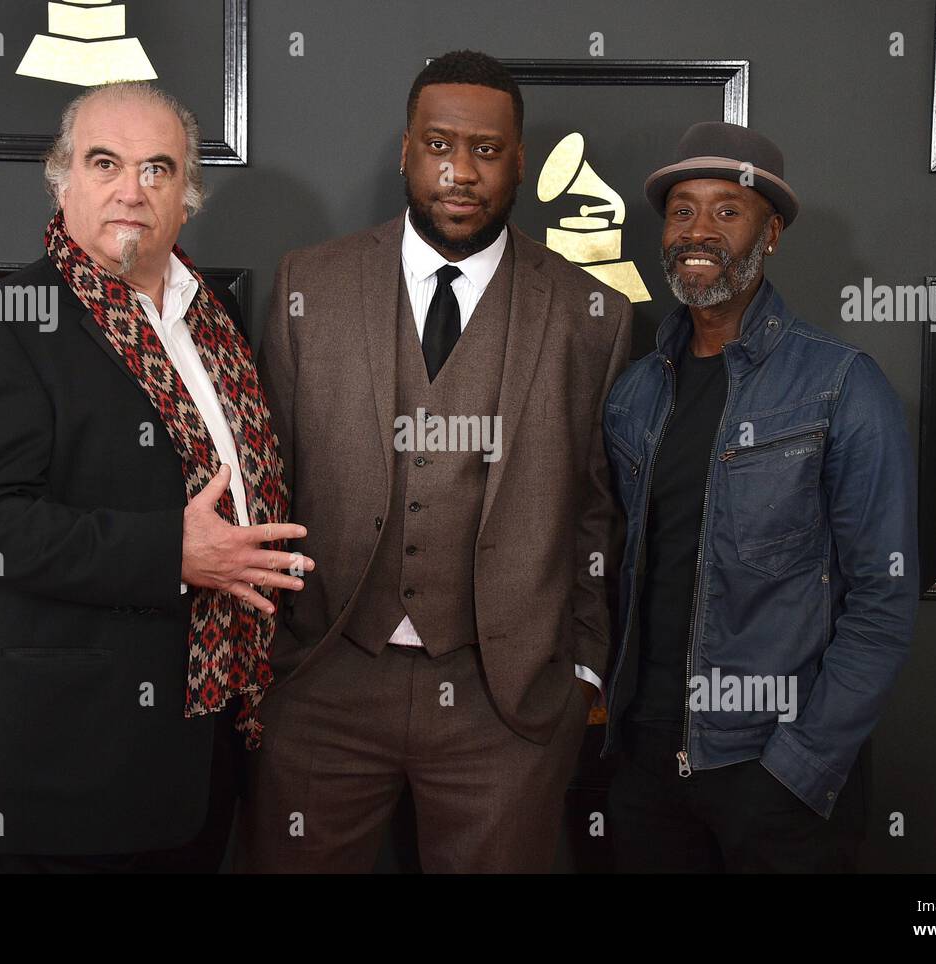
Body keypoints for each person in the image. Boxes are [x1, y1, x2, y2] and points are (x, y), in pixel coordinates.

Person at [240, 50, 632, 872]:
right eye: (440, 145)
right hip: (326, 677)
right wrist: (271, 658)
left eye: (487, 151)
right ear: (407, 149)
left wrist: (584, 672)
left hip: (507, 698)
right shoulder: (310, 283)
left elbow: (598, 507)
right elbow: (262, 478)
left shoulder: (589, 311)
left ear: (519, 160)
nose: (461, 171)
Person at [0, 81, 311, 872]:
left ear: (188, 196)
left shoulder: (215, 323)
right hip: (64, 760)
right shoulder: (6, 321)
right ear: (63, 179)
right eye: (106, 163)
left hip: (205, 741)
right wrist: (171, 551)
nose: (132, 190)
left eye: (158, 169)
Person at [601, 121, 918, 872]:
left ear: (770, 233)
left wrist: (801, 765)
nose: (698, 230)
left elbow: (883, 597)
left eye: (727, 210)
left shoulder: (841, 384)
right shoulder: (635, 394)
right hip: (644, 768)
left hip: (771, 770)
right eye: (682, 210)